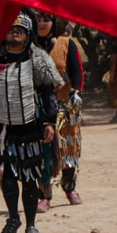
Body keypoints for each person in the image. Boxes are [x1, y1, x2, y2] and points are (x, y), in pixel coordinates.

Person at [0, 12, 63, 233]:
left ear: (28, 35)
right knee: (8, 177)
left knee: (29, 178)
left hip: (31, 128)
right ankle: (13, 217)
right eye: (10, 31)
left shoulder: (38, 60)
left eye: (19, 32)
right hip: (5, 128)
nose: (14, 35)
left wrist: (50, 122)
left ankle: (30, 225)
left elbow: (49, 95)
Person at [35, 13, 85, 208]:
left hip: (65, 104)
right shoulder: (31, 45)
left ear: (54, 22)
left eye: (46, 19)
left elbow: (77, 70)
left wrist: (76, 91)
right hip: (39, 106)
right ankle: (44, 195)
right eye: (38, 20)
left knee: (68, 149)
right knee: (43, 149)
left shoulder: (66, 43)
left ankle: (70, 187)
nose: (42, 24)